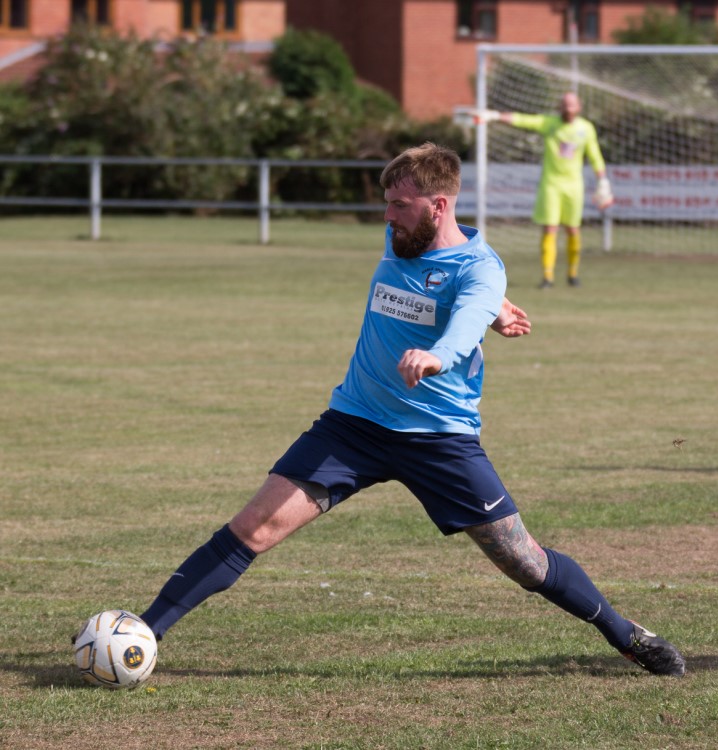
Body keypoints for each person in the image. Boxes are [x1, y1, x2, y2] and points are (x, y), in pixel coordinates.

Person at [137, 143, 684, 677]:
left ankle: (625, 634)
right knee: (252, 527)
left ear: (438, 206)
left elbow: (465, 318)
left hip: (439, 439)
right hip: (353, 426)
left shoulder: (482, 271)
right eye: (387, 203)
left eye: (399, 205)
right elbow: (446, 293)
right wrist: (493, 313)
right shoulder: (400, 239)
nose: (387, 215)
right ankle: (141, 633)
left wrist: (441, 353)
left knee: (525, 562)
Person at [476, 92, 613, 289]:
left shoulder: (586, 128)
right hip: (551, 184)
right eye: (565, 105)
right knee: (550, 228)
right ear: (559, 107)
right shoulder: (550, 123)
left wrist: (603, 180)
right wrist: (495, 116)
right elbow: (523, 120)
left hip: (574, 186)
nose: (568, 108)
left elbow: (595, 156)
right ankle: (547, 277)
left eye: (572, 105)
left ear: (579, 107)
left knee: (573, 229)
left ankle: (573, 274)